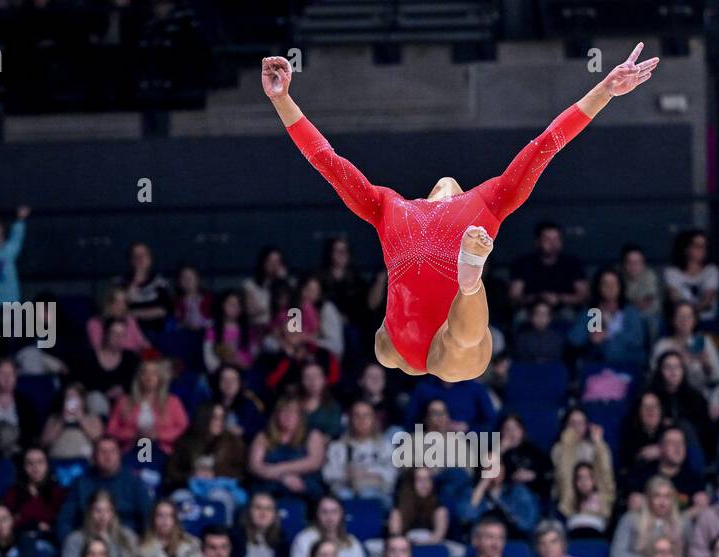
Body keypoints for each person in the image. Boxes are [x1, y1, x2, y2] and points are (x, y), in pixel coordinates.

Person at [264, 43, 658, 381]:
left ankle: (470, 281)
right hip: (400, 342)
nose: (447, 183)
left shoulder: (480, 202)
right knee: (387, 349)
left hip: (447, 342)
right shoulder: (391, 205)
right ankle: (468, 280)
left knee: (456, 344)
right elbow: (326, 161)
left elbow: (546, 145)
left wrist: (605, 90)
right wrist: (282, 99)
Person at [55, 436, 151, 541]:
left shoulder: (134, 483)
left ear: (119, 455)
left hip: (125, 541)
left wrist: (143, 544)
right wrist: (70, 543)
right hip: (88, 543)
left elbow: (149, 517)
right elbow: (65, 520)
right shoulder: (81, 483)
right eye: (103, 452)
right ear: (94, 457)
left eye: (112, 451)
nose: (108, 456)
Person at [106, 359, 189, 455]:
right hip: (130, 451)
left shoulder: (173, 402)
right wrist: (134, 434)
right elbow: (111, 431)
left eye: (154, 373)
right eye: (144, 372)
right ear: (138, 377)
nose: (149, 377)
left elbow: (184, 429)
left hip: (163, 452)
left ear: (160, 377)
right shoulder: (124, 401)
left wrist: (158, 435)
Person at [322, 400, 396, 504]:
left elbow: (391, 476)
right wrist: (346, 475)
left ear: (373, 419)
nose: (362, 420)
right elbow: (327, 474)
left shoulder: (385, 446)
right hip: (345, 493)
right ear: (350, 420)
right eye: (357, 416)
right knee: (343, 496)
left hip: (377, 494)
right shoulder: (337, 447)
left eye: (366, 415)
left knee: (368, 494)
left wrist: (366, 474)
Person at [290, 494, 369, 557]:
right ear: (316, 515)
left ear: (342, 514)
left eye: (334, 511)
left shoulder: (352, 542)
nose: (330, 517)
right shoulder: (303, 539)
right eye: (324, 512)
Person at [663, 229, 719, 324]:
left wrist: (694, 313)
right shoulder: (671, 272)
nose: (702, 250)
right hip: (680, 322)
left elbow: (708, 297)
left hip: (706, 320)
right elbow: (674, 298)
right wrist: (687, 316)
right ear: (686, 248)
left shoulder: (712, 270)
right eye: (697, 246)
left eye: (704, 246)